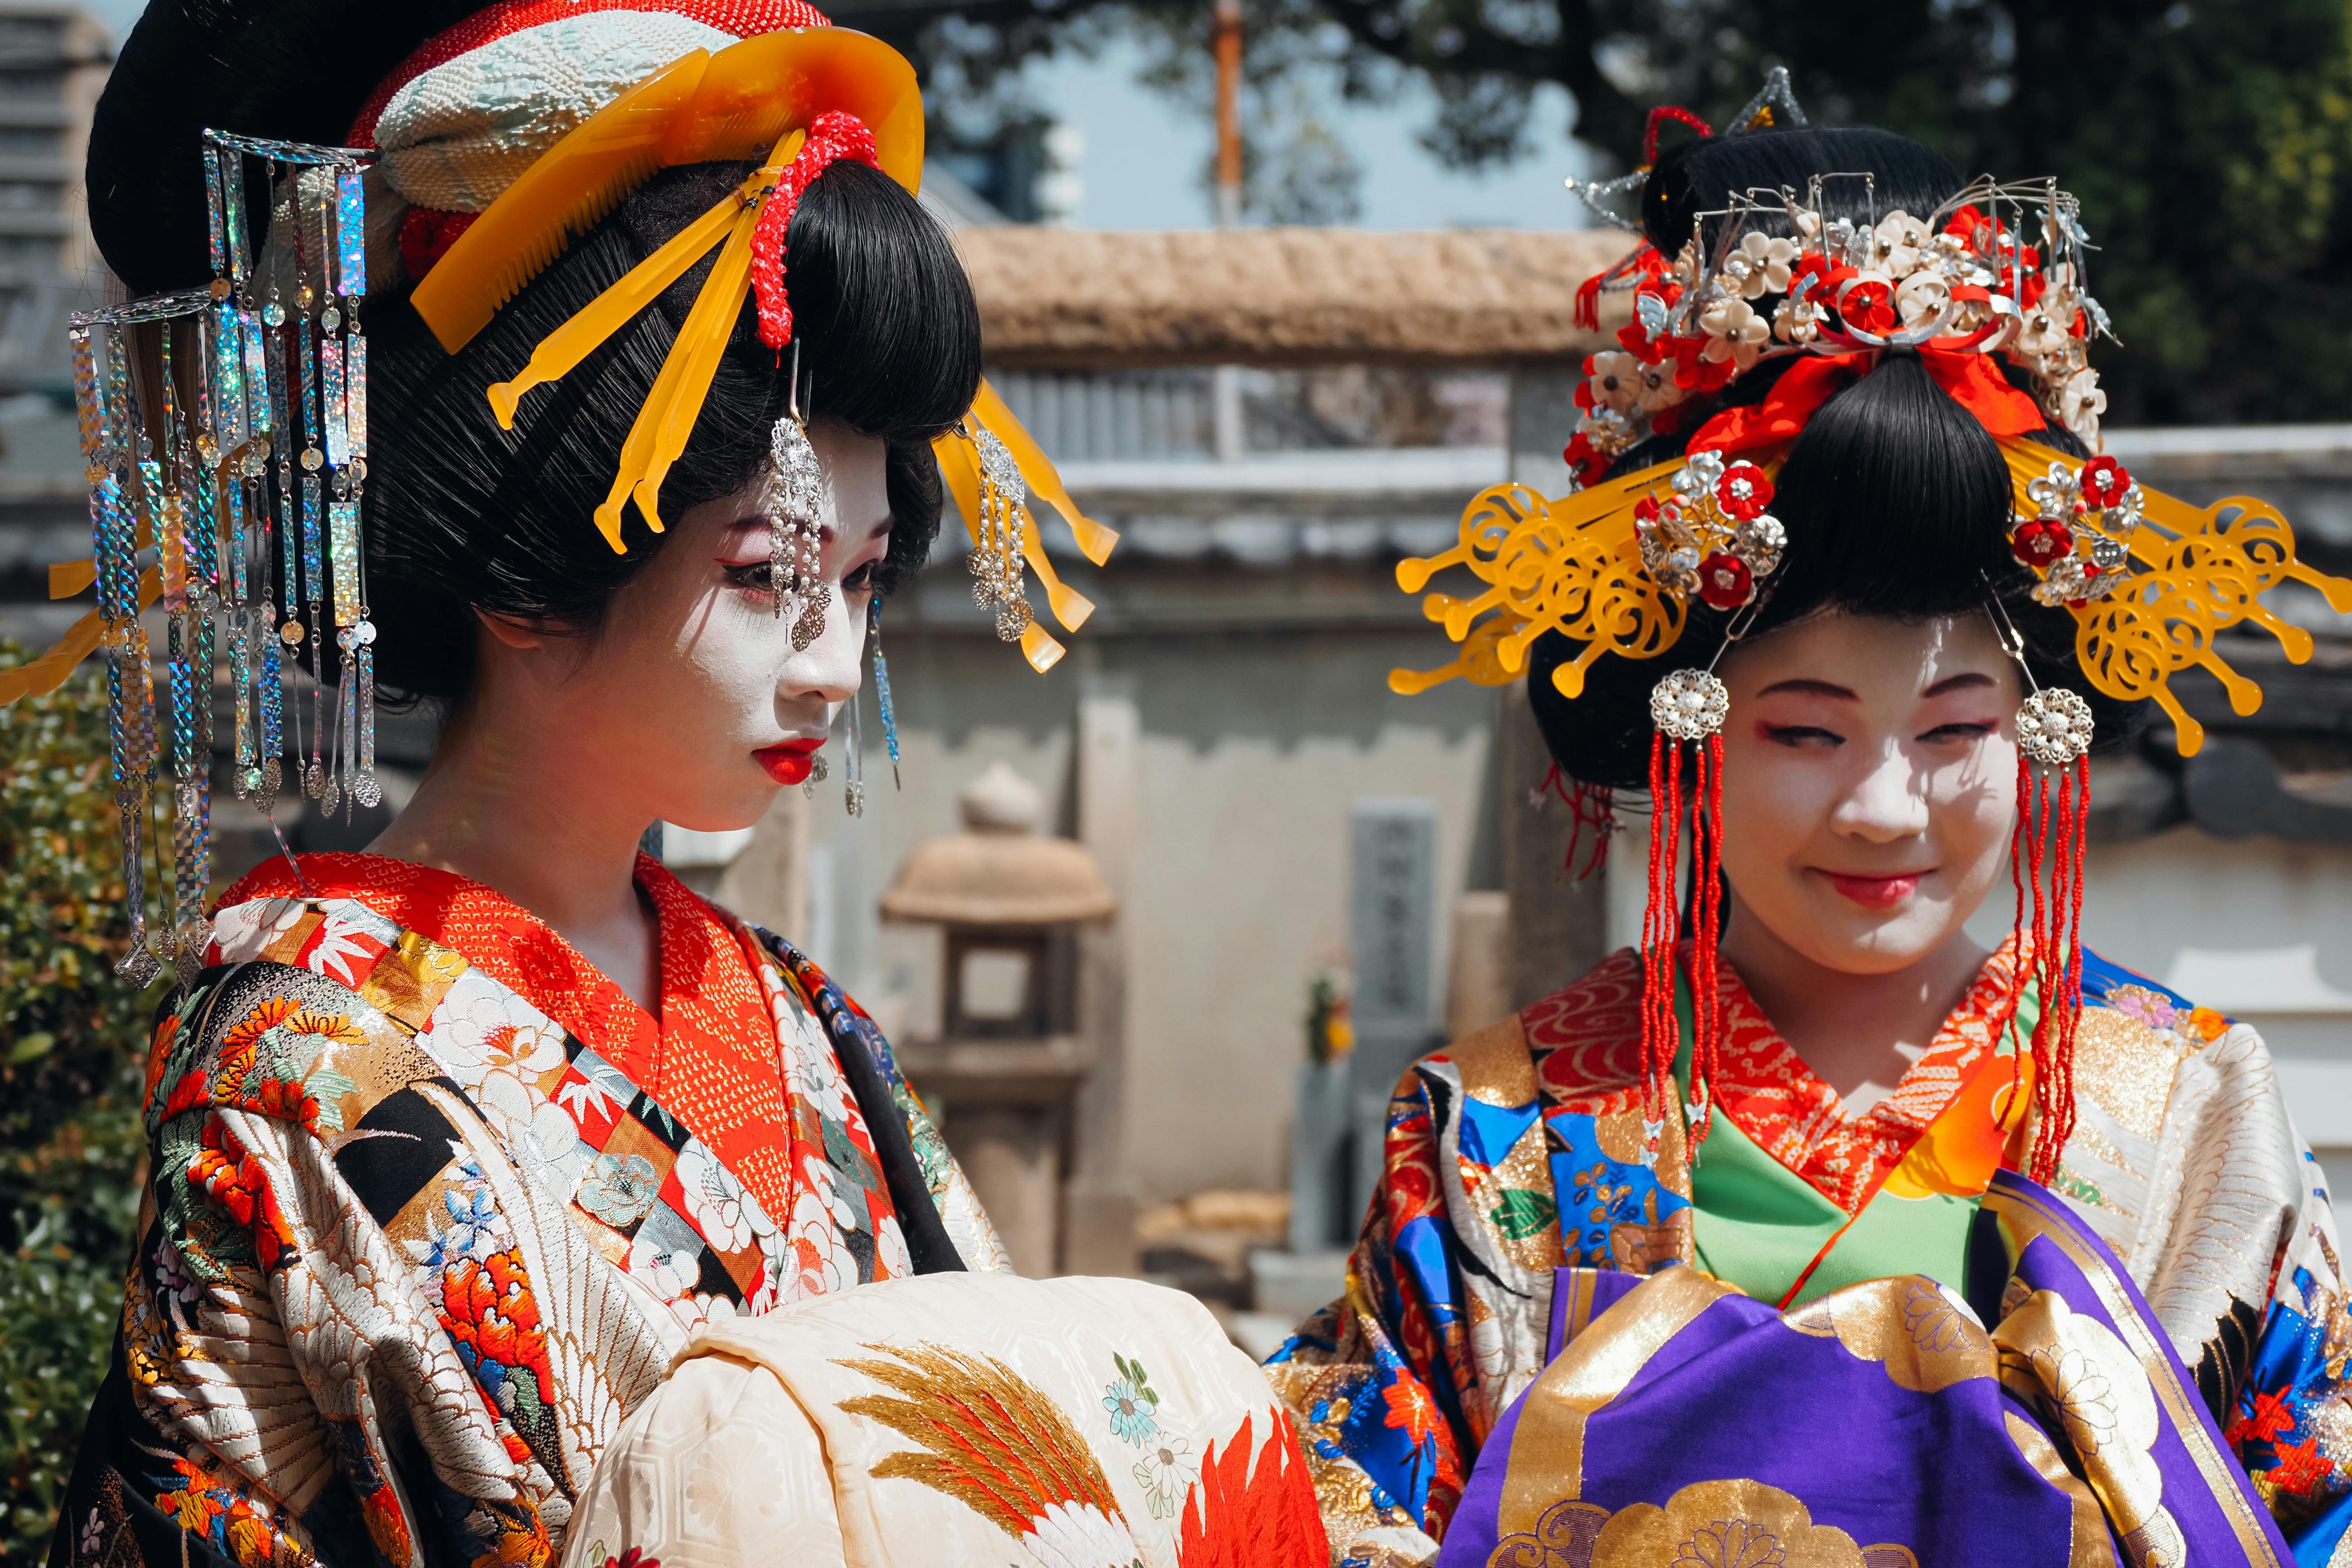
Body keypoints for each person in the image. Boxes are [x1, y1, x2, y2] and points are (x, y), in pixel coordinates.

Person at [33, 4, 1145, 1567]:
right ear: (523, 559)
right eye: (772, 576)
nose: (833, 663)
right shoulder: (297, 1073)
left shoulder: (801, 1018)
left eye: (868, 583)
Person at [1266, 94, 2352, 1568]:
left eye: (1958, 728)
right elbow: (1340, 1519)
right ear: (1690, 722)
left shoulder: (2192, 1111)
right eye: (1804, 731)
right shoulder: (1499, 1134)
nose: (1886, 807)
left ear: (2039, 730)